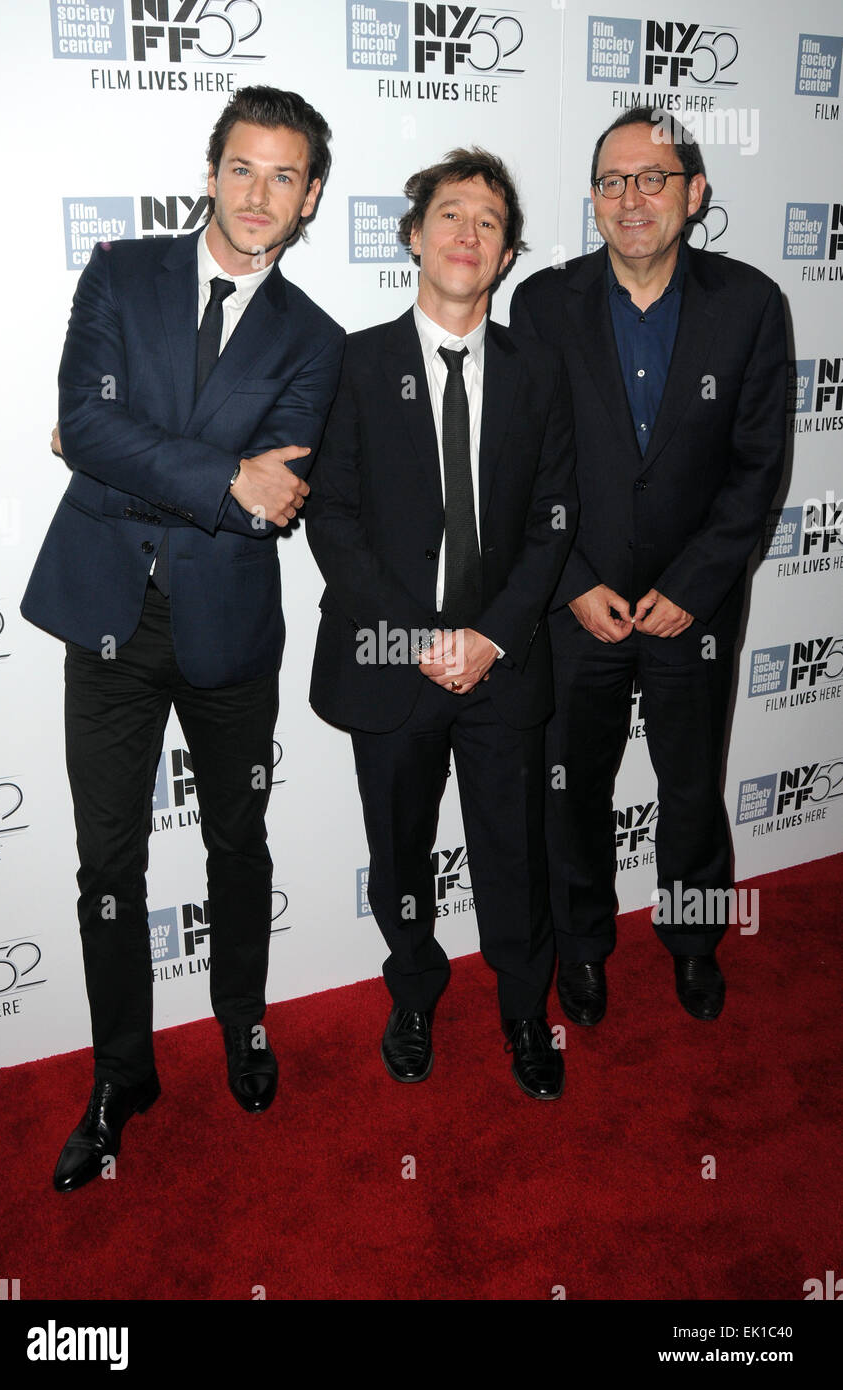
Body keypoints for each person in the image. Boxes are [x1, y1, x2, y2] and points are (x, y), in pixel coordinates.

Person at [22, 86, 344, 1192]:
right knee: (108, 861)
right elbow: (92, 419)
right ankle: (121, 1076)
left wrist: (120, 453)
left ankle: (242, 1023)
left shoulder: (317, 340)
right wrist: (211, 472)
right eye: (243, 168)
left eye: (285, 177)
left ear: (309, 199)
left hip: (227, 629)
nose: (261, 195)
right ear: (210, 172)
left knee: (235, 842)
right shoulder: (120, 270)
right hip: (107, 612)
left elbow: (268, 492)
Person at [306, 149, 577, 1098]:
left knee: (515, 850)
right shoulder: (351, 364)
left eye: (489, 223)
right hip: (392, 662)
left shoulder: (539, 374)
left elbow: (555, 517)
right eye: (450, 215)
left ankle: (523, 1013)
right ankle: (413, 993)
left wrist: (490, 636)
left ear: (505, 255)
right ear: (414, 236)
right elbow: (331, 517)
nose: (468, 234)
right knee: (401, 851)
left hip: (503, 663)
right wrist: (422, 635)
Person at [510, 106, 787, 1026]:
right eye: (613, 181)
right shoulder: (542, 305)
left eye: (654, 178)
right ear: (593, 200)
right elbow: (525, 466)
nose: (632, 198)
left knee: (691, 785)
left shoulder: (750, 305)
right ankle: (583, 947)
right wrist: (574, 578)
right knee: (571, 787)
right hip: (574, 602)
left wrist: (695, 587)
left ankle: (696, 942)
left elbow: (757, 468)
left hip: (691, 610)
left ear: (695, 194)